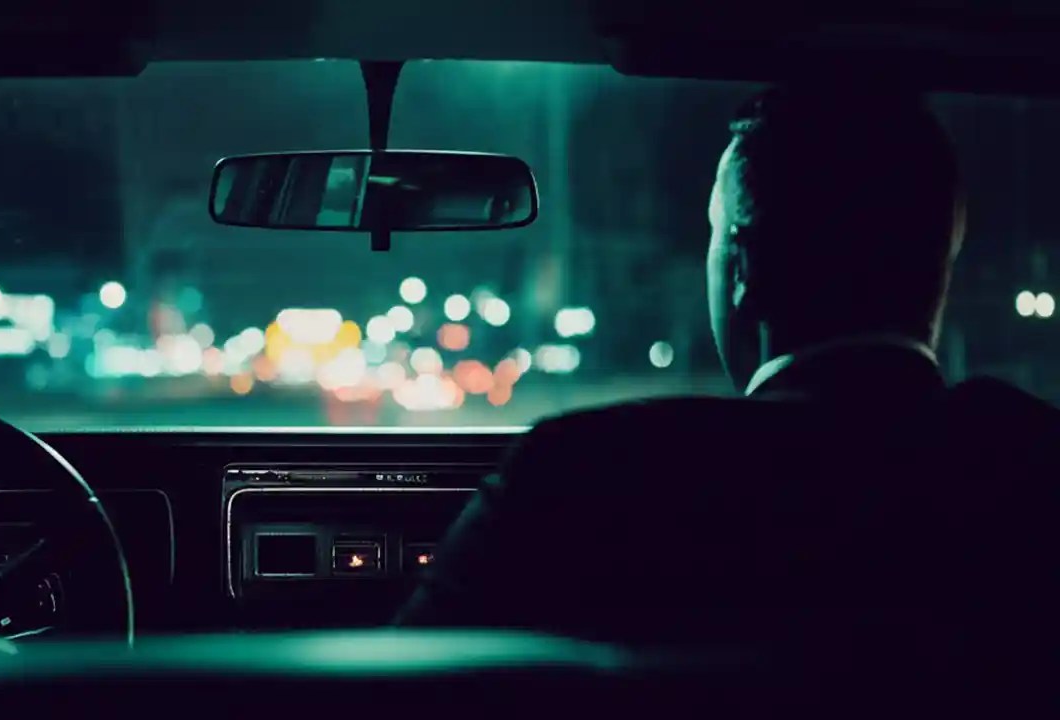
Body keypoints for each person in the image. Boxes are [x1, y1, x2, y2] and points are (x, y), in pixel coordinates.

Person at [395, 85, 1056, 678]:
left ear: (740, 269)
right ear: (940, 265)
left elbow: (396, 695)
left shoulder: (581, 475)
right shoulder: (1034, 470)